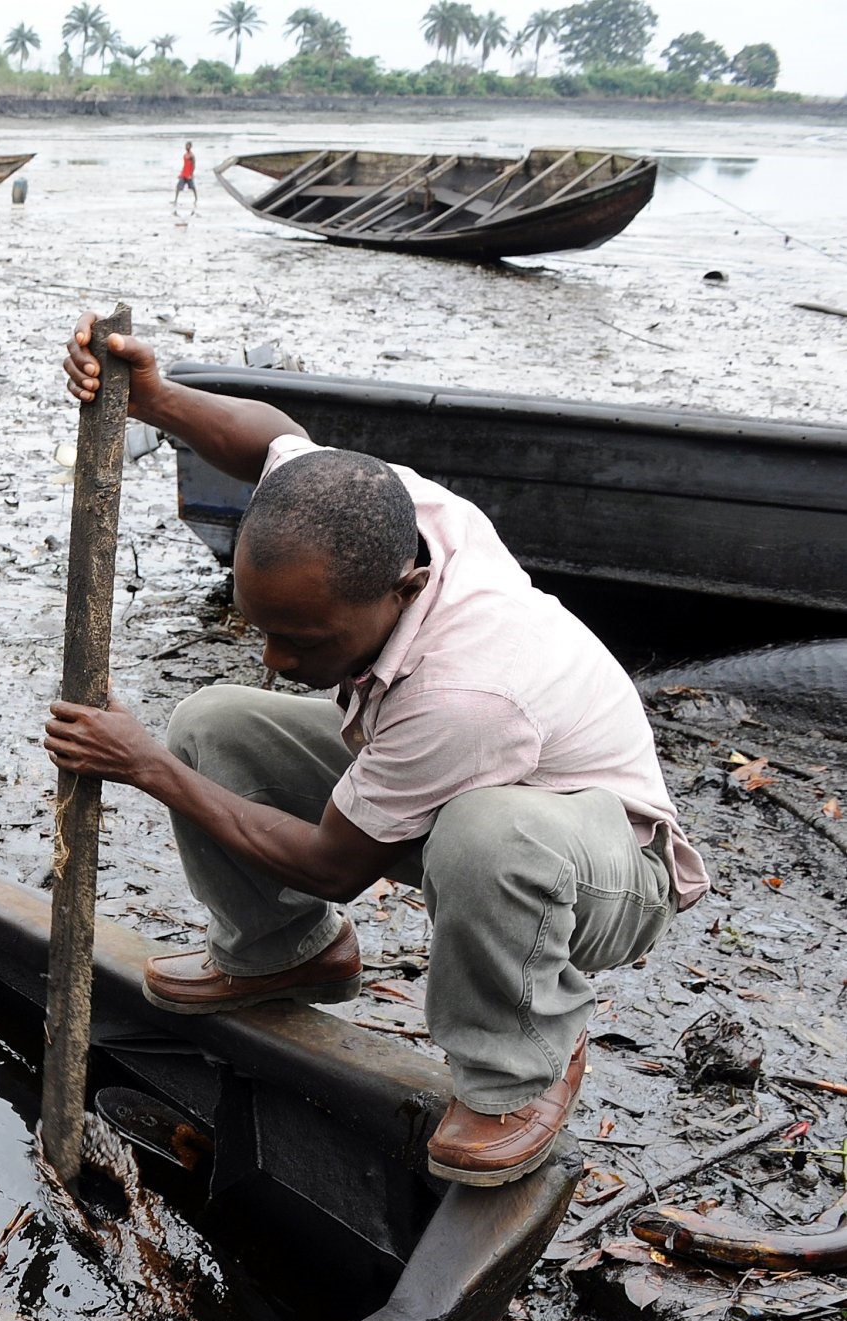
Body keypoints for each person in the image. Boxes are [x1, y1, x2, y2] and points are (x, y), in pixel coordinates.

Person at [47, 314, 705, 1187]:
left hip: (601, 866)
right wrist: (156, 398)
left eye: (304, 638)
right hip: (470, 788)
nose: (278, 661)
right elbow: (277, 444)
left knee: (487, 836)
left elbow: (330, 864)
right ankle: (284, 954)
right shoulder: (384, 510)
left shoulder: (466, 693)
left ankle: (519, 1071)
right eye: (264, 628)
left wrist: (144, 767)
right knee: (213, 722)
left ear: (407, 591)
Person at [173, 140, 196, 211]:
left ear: (190, 147)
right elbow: (184, 165)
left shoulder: (192, 156)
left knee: (193, 187)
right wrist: (181, 173)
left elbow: (193, 165)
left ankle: (196, 199)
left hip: (189, 174)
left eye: (188, 146)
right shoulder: (185, 155)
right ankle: (175, 199)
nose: (186, 147)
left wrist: (191, 174)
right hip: (184, 174)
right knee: (178, 187)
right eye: (186, 146)